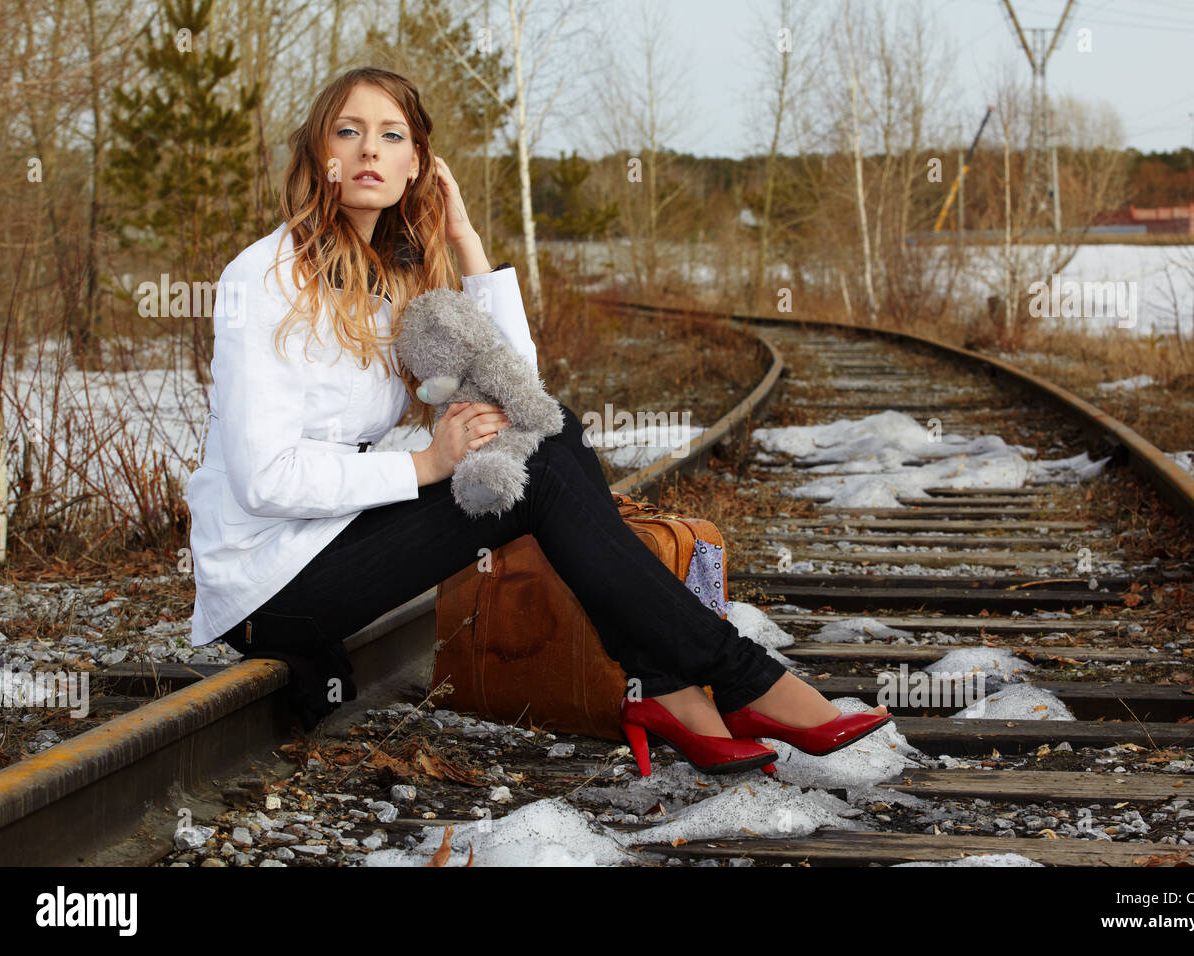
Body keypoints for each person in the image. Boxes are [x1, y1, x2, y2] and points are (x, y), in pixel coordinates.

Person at [185, 67, 889, 774]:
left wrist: (465, 240)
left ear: (416, 165)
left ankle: (675, 687)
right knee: (547, 462)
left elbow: (522, 396)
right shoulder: (267, 278)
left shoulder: (387, 276)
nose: (369, 150)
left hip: (336, 536)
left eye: (390, 135)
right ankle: (732, 676)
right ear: (321, 154)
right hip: (273, 583)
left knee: (551, 435)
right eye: (349, 131)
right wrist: (427, 465)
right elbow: (264, 479)